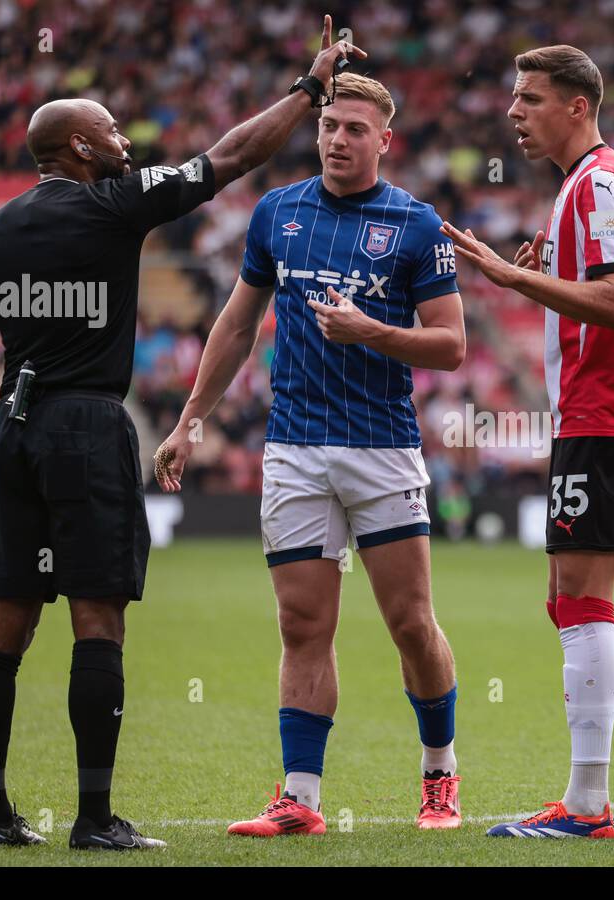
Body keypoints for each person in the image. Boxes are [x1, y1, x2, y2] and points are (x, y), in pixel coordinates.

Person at [0, 15, 363, 851]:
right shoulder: (111, 207)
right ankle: (94, 820)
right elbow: (234, 157)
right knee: (98, 621)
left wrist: (5, 451)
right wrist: (310, 87)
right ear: (75, 150)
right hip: (90, 427)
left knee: (5, 627)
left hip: (21, 426)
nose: (124, 143)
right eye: (107, 131)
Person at [153, 73, 467, 836]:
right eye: (329, 125)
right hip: (293, 449)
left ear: (384, 141)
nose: (336, 139)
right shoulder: (277, 211)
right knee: (301, 624)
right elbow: (234, 325)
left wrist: (374, 333)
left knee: (410, 623)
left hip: (382, 449)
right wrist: (190, 419)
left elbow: (452, 345)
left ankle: (440, 776)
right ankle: (300, 797)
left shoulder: (416, 225)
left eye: (356, 128)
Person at [441, 45, 614, 839]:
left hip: (610, 414)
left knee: (582, 601)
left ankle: (586, 806)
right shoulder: (582, 187)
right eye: (515, 98)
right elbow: (611, 287)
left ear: (577, 106)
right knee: (567, 601)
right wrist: (551, 269)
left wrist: (516, 282)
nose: (513, 111)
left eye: (531, 98)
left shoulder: (603, 181)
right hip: (591, 415)